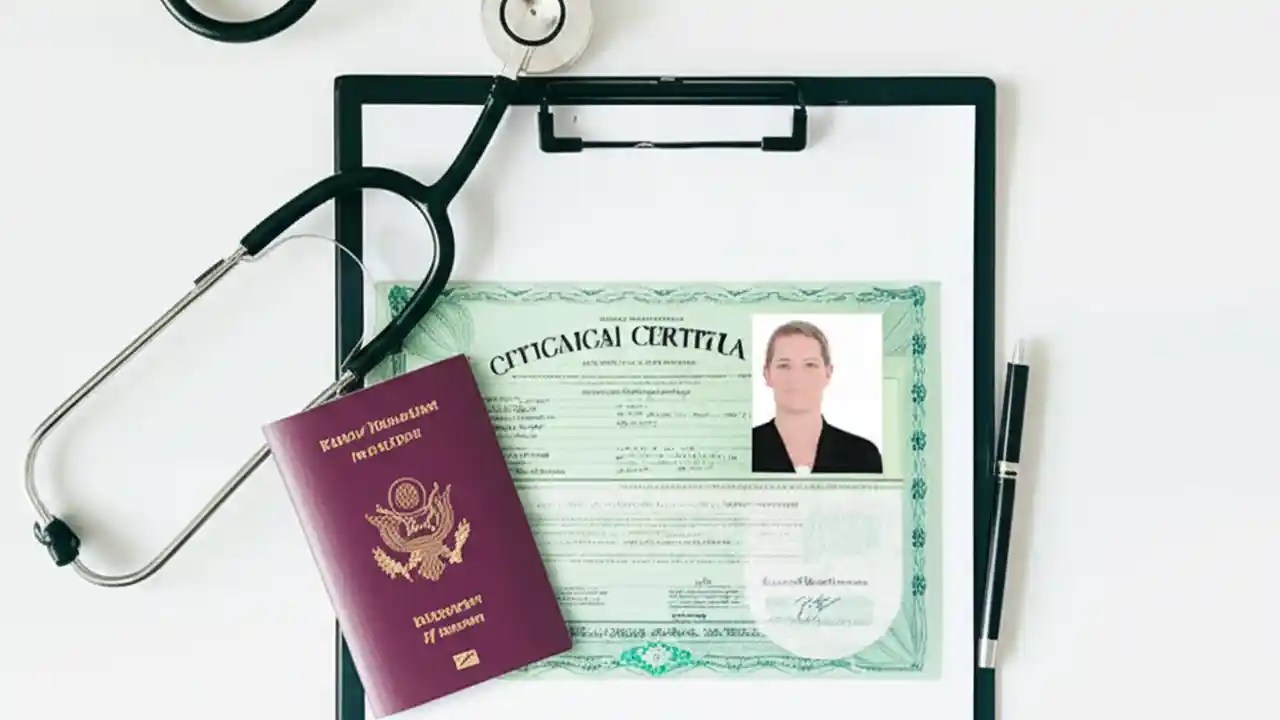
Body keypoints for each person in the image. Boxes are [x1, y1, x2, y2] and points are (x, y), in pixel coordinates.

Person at [751, 320, 883, 474]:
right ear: (767, 374)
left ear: (828, 373)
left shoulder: (863, 455)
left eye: (810, 365)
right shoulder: (741, 451)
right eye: (784, 365)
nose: (797, 377)